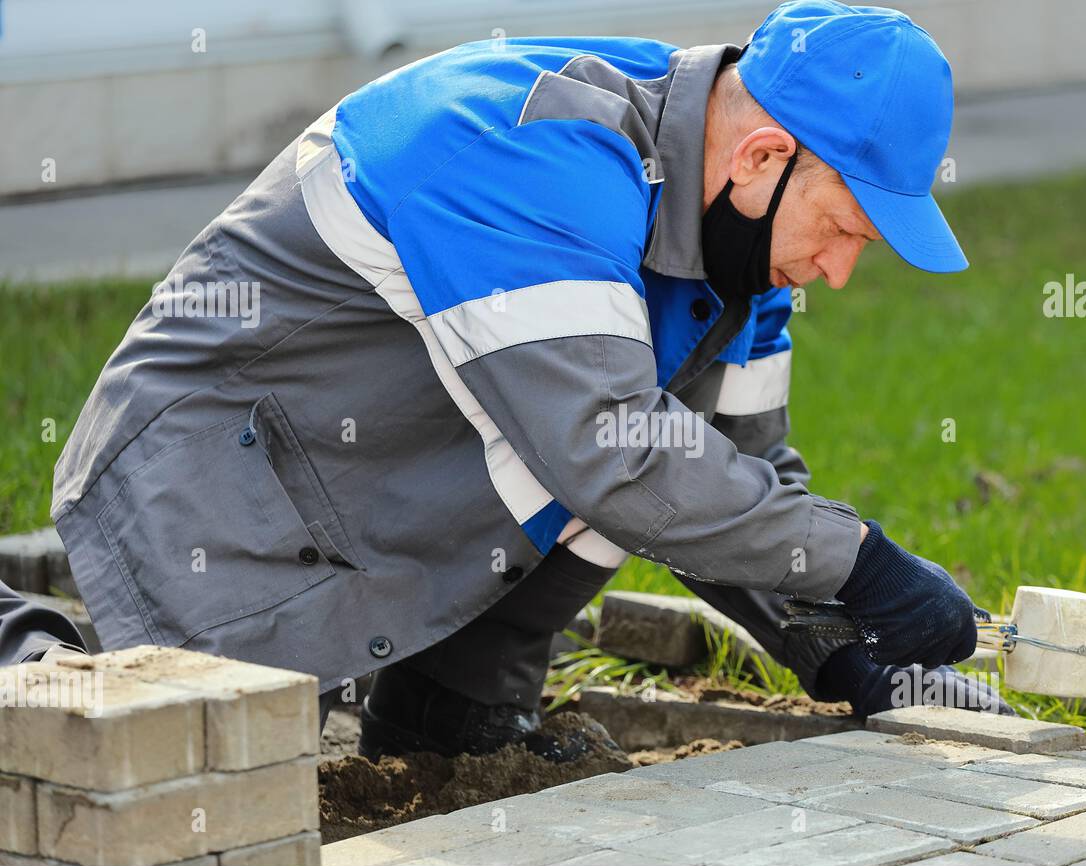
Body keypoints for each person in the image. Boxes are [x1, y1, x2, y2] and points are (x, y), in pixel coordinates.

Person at [40, 2, 1009, 762]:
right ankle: (28, 655)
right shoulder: (549, 154)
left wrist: (849, 656)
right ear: (763, 158)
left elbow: (739, 488)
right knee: (125, 750)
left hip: (358, 482)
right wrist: (868, 563)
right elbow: (611, 451)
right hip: (206, 480)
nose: (838, 269)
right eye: (841, 230)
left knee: (668, 465)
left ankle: (448, 719)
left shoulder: (738, 258)